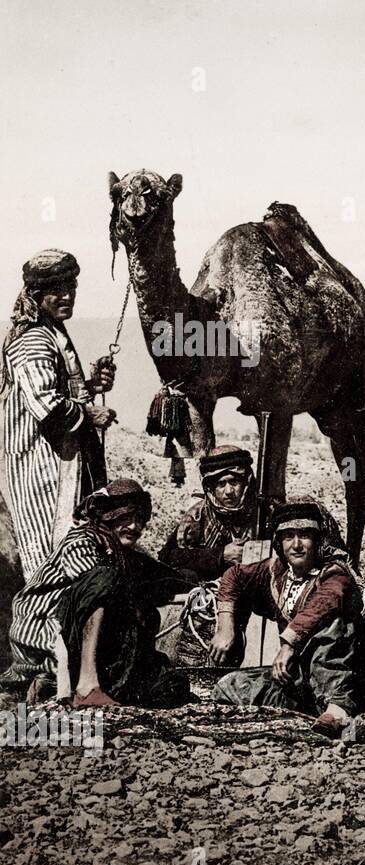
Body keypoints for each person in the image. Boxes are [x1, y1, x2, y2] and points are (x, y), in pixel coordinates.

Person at [1, 479, 193, 707]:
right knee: (106, 579)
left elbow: (169, 577)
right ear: (108, 516)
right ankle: (85, 686)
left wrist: (197, 589)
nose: (134, 527)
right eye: (126, 518)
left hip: (87, 641)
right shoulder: (81, 540)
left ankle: (53, 687)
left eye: (140, 519)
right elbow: (97, 584)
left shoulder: (121, 551)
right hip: (47, 635)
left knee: (170, 685)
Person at [208, 496, 365, 737]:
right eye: (288, 536)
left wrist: (289, 643)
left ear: (318, 540)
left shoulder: (336, 572)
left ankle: (338, 710)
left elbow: (323, 603)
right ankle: (306, 713)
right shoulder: (275, 571)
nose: (297, 545)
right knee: (228, 686)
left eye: (305, 535)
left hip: (351, 679)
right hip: (299, 678)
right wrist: (225, 627)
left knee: (329, 623)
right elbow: (234, 576)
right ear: (279, 542)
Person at [1, 249, 116, 578]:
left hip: (65, 464)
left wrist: (92, 384)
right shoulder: (34, 340)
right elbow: (48, 407)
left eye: (72, 288)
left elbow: (61, 393)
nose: (67, 296)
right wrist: (91, 413)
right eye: (57, 291)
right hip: (42, 470)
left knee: (75, 552)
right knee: (49, 557)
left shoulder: (54, 332)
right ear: (37, 296)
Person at [160, 444, 259, 579]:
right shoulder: (197, 516)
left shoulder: (262, 513)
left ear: (246, 483)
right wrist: (219, 556)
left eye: (234, 482)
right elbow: (168, 556)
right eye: (221, 484)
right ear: (210, 488)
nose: (229, 491)